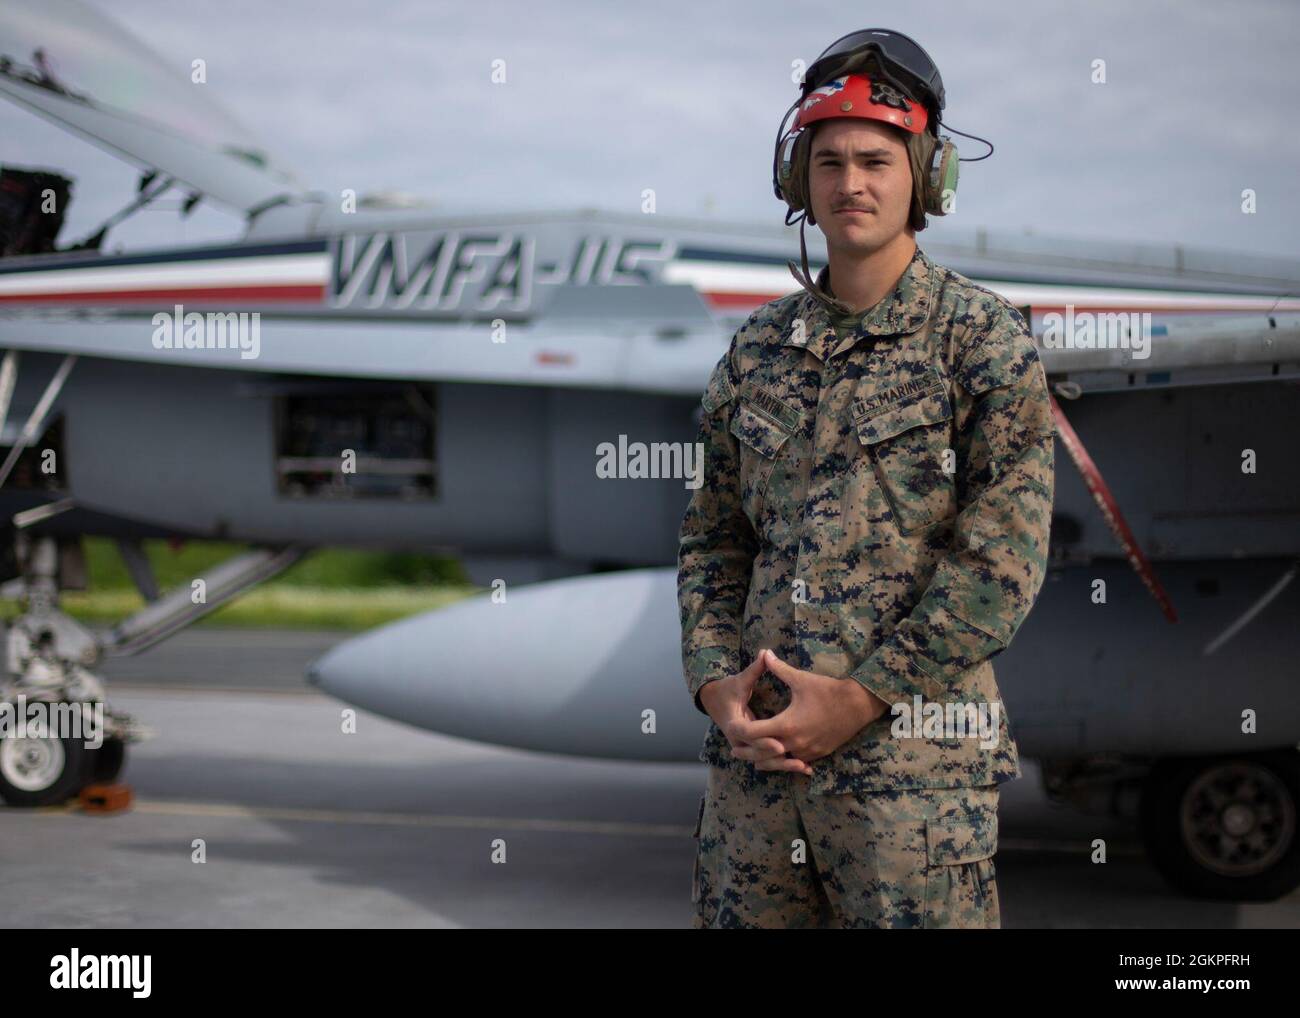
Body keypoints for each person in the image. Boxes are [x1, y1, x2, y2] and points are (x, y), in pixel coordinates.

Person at [676, 28, 1056, 928]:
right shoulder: (759, 350)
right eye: (830, 160)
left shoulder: (983, 343)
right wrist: (712, 681)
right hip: (758, 790)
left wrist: (858, 699)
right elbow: (711, 538)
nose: (852, 183)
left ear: (925, 178)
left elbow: (1000, 565)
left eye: (878, 161)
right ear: (797, 182)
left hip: (912, 796)